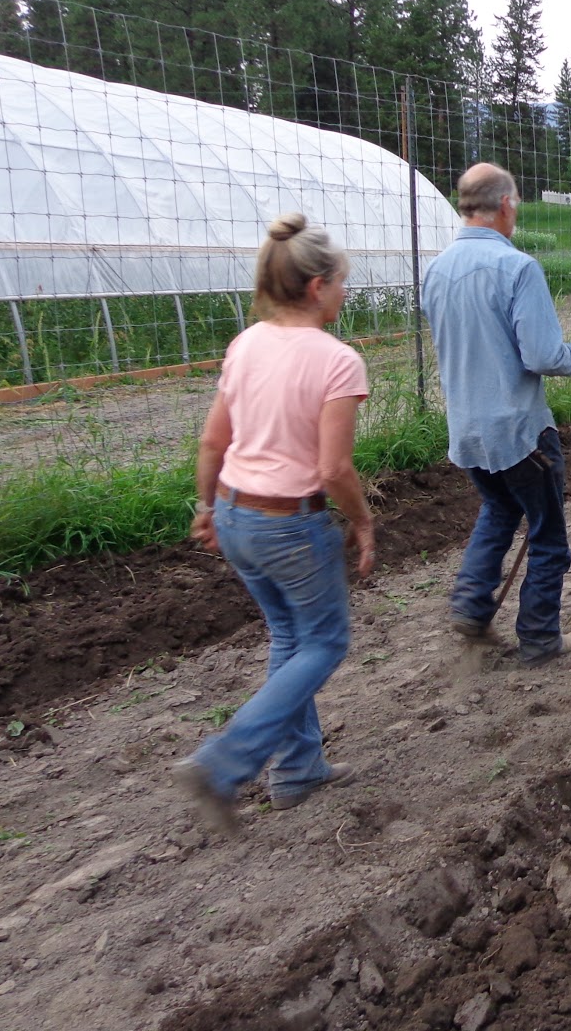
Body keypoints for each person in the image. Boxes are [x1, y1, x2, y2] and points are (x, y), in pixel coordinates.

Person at [176, 212, 376, 834]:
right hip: (291, 524)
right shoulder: (337, 360)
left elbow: (214, 441)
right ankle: (223, 762)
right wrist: (364, 523)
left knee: (290, 641)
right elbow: (335, 468)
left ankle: (297, 771)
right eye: (342, 281)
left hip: (236, 513)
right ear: (317, 286)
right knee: (325, 643)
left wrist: (207, 508)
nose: (346, 292)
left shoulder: (246, 343)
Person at [423, 163, 571, 665]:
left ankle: (472, 603)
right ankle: (541, 637)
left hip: (467, 430)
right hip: (519, 431)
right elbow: (541, 356)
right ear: (505, 205)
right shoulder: (519, 269)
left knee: (500, 510)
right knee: (547, 535)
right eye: (516, 205)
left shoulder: (436, 271)